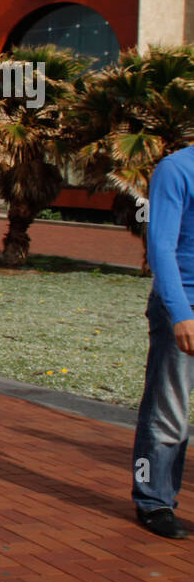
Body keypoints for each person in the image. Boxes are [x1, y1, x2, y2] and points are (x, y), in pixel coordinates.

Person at [133, 146, 194, 538]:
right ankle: (153, 501)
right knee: (168, 411)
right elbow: (160, 246)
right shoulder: (177, 169)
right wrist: (180, 312)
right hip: (185, 304)